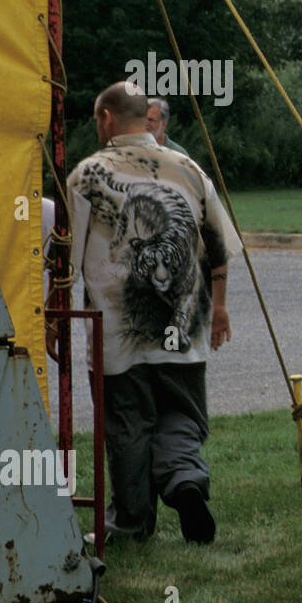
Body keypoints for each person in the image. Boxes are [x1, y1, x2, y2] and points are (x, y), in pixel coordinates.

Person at [63, 82, 241, 544]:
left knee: (128, 422)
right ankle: (184, 480)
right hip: (185, 323)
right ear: (147, 118)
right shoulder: (189, 168)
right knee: (180, 411)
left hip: (119, 333)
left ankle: (132, 521)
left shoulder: (87, 175)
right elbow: (219, 247)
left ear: (105, 119)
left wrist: (54, 317)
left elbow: (65, 262)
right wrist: (219, 308)